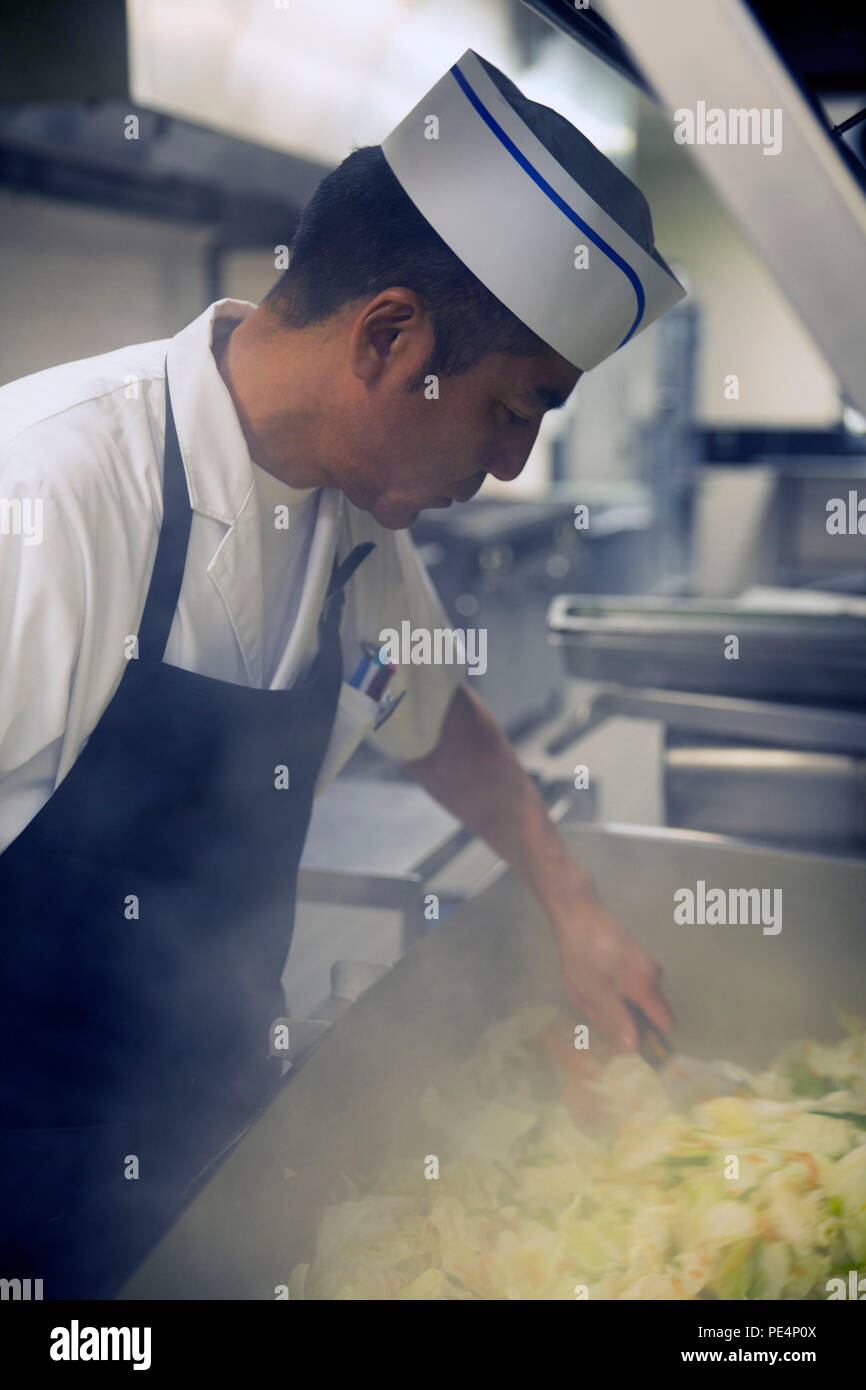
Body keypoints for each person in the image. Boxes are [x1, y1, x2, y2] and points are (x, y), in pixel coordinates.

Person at [0, 50, 682, 1297]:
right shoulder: (43, 502)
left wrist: (570, 904)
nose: (519, 464)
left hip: (216, 1147)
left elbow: (431, 711)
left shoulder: (346, 517)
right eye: (511, 408)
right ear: (387, 339)